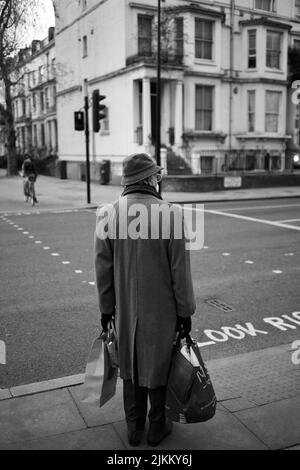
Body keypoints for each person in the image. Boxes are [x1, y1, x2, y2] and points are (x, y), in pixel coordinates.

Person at [94, 153, 195, 447]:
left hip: (124, 309)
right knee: (159, 364)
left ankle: (134, 427)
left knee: (131, 364)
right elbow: (180, 272)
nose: (158, 180)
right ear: (150, 179)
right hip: (162, 311)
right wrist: (185, 312)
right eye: (157, 176)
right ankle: (157, 427)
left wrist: (106, 309)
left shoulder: (107, 214)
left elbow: (103, 269)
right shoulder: (172, 214)